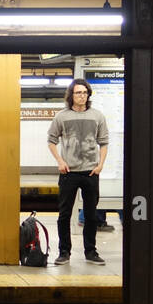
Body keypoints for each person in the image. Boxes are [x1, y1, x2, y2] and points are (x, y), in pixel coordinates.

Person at [46, 78, 109, 266]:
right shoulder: (61, 117)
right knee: (64, 214)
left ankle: (91, 252)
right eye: (78, 93)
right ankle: (64, 252)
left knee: (91, 215)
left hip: (91, 172)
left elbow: (104, 142)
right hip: (69, 172)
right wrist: (60, 161)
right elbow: (51, 140)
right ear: (71, 95)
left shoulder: (97, 116)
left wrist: (100, 165)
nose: (81, 96)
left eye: (84, 92)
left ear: (88, 95)